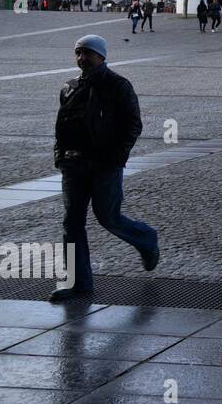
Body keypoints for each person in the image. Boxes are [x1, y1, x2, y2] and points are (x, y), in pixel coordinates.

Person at [49, 35, 159, 303]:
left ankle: (146, 239)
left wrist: (116, 158)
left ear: (101, 56)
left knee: (108, 217)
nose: (81, 58)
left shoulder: (118, 86)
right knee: (71, 222)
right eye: (78, 53)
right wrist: (59, 156)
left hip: (104, 165)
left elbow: (133, 124)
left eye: (87, 53)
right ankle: (77, 283)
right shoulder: (69, 87)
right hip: (73, 165)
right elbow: (61, 125)